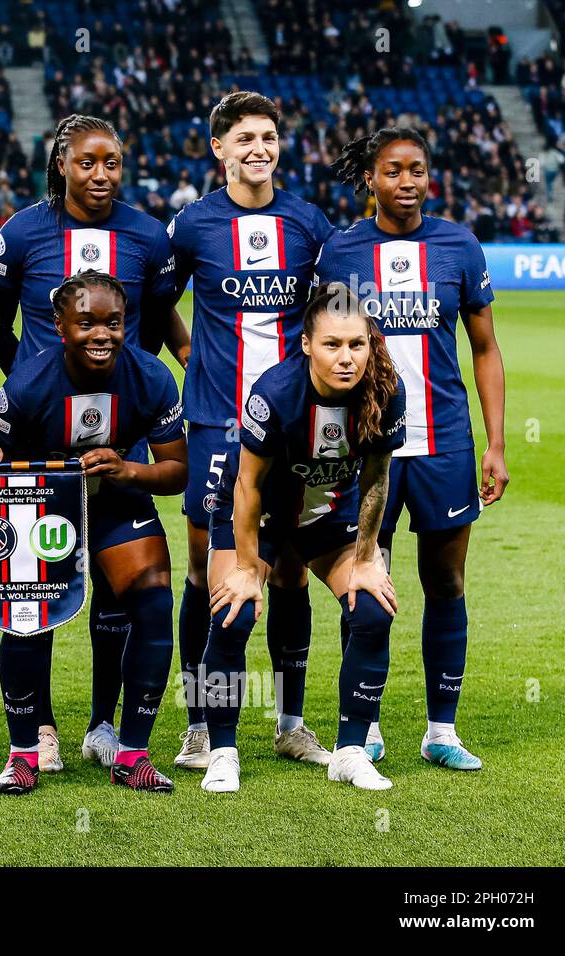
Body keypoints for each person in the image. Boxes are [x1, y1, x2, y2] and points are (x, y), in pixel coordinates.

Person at [0, 113, 179, 774]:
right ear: (62, 161)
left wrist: (120, 396)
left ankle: (113, 735)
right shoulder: (21, 236)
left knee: (141, 597)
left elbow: (158, 314)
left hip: (118, 453)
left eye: (112, 162)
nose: (100, 174)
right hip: (43, 463)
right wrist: (43, 381)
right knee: (32, 609)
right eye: (87, 161)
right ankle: (34, 736)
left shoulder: (149, 238)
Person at [320, 127, 508, 769]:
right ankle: (364, 725)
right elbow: (319, 348)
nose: (407, 182)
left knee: (446, 582)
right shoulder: (340, 251)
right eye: (394, 171)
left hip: (445, 444)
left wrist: (496, 444)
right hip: (366, 448)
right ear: (370, 178)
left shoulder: (458, 244)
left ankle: (441, 730)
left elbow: (485, 348)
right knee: (366, 582)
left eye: (418, 171)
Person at [165, 91, 336, 772]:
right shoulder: (192, 226)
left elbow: (332, 313)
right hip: (215, 421)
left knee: (290, 564)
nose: (258, 149)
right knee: (209, 570)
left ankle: (290, 723)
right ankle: (202, 726)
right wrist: (188, 356)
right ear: (219, 148)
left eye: (267, 137)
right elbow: (156, 305)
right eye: (244, 139)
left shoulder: (309, 223)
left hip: (296, 428)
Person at [0, 272, 188, 795]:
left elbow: (175, 472)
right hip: (42, 507)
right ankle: (24, 754)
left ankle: (132, 754)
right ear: (60, 326)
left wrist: (126, 471)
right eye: (87, 323)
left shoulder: (153, 377)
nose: (102, 334)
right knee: (26, 615)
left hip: (119, 501)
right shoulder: (27, 385)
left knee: (151, 602)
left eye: (113, 323)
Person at [203, 283, 406, 792]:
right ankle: (222, 751)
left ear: (370, 344)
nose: (346, 358)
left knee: (372, 608)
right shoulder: (275, 394)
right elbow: (248, 485)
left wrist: (365, 557)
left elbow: (377, 479)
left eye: (356, 345)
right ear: (307, 345)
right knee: (234, 613)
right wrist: (248, 569)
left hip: (324, 510)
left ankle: (350, 750)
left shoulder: (386, 389)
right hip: (258, 510)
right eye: (332, 344)